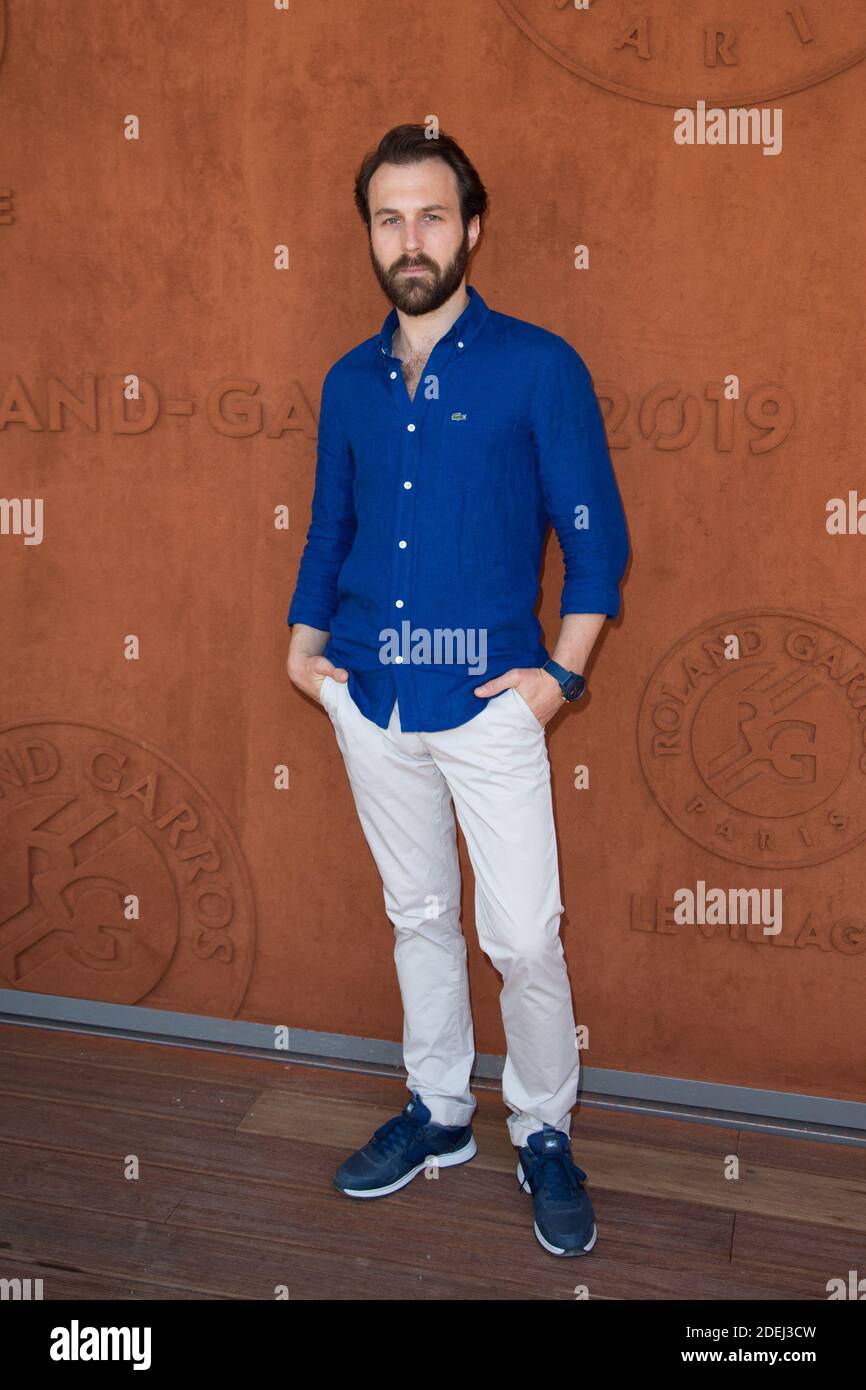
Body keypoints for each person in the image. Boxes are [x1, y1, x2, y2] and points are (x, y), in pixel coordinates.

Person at [286, 123, 629, 1257]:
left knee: (523, 937)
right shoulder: (347, 381)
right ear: (370, 235)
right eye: (388, 218)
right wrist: (305, 649)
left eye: (431, 215)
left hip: (488, 705)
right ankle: (437, 1112)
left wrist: (559, 677)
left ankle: (540, 1127)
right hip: (369, 699)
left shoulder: (539, 365)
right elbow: (329, 521)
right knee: (418, 918)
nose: (410, 238)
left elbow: (596, 544)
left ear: (470, 228)